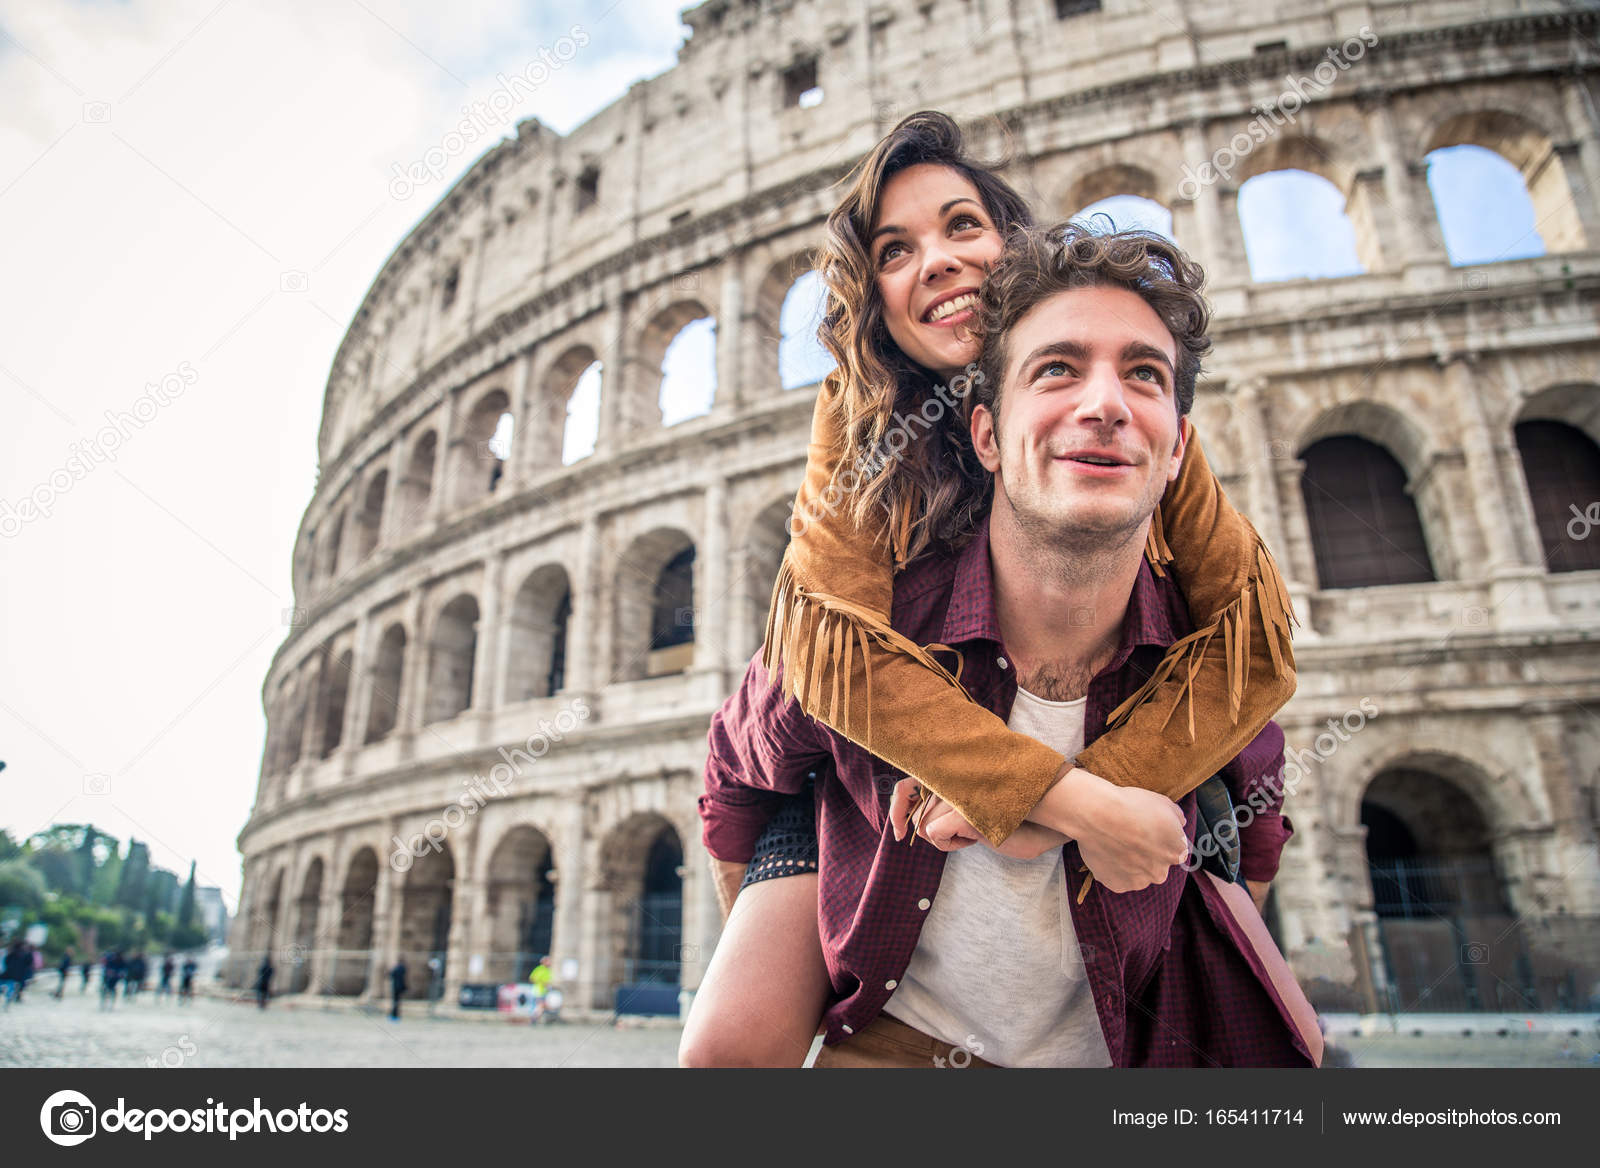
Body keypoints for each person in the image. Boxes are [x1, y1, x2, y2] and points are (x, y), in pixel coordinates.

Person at [680, 112, 1296, 1066]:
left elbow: (1256, 641)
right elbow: (819, 654)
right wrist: (1062, 802)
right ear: (871, 300)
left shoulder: (1117, 398)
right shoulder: (858, 405)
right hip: (836, 760)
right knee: (724, 1050)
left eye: (962, 226)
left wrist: (1031, 792)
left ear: (1014, 246)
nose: (937, 260)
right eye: (896, 249)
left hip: (1064, 720)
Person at [527, 955, 553, 1023]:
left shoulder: (546, 970)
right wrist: (543, 984)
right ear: (544, 962)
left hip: (542, 991)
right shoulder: (541, 969)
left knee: (541, 1006)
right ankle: (533, 1019)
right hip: (539, 991)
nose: (550, 963)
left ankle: (535, 1018)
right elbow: (532, 979)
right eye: (549, 961)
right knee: (541, 1006)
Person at [388, 956, 408, 1021]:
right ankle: (395, 1015)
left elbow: (391, 975)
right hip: (400, 987)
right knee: (397, 1002)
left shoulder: (396, 968)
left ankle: (394, 1015)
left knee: (395, 1002)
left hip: (395, 987)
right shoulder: (403, 968)